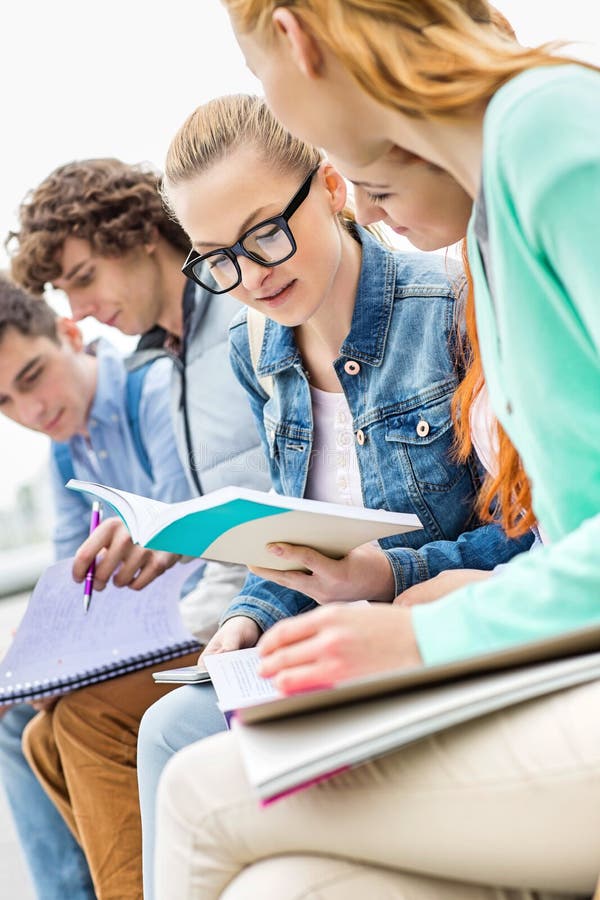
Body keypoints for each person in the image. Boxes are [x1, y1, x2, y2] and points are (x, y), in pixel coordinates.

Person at [150, 3, 600, 898]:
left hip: (548, 657)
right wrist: (268, 611)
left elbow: (541, 539)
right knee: (276, 884)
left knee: (197, 791)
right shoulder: (487, 221)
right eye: (218, 259)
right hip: (544, 647)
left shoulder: (544, 136)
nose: (362, 206)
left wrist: (421, 631)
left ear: (295, 41)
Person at [7, 158, 270, 900]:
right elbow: (77, 577)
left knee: (81, 717)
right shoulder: (173, 355)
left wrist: (170, 532)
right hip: (221, 606)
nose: (87, 307)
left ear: (144, 236)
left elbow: (236, 515)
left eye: (87, 277)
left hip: (244, 609)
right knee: (33, 729)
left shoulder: (176, 366)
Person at [0, 275, 195, 900]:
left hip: (210, 619)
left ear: (68, 333)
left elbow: (198, 538)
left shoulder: (156, 390)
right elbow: (70, 589)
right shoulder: (64, 454)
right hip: (142, 641)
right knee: (21, 723)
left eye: (32, 376)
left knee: (76, 716)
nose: (29, 410)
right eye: (3, 402)